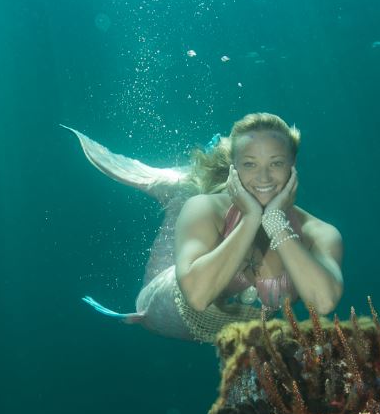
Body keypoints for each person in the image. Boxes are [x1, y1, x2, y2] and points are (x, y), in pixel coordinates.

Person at [70, 112, 344, 343]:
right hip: (161, 303)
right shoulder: (203, 207)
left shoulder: (320, 233)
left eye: (276, 164)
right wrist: (250, 219)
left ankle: (189, 180)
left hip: (216, 327)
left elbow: (323, 302)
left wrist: (275, 221)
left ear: (293, 167)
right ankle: (176, 185)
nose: (263, 177)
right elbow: (198, 297)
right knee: (188, 194)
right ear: (234, 168)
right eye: (250, 164)